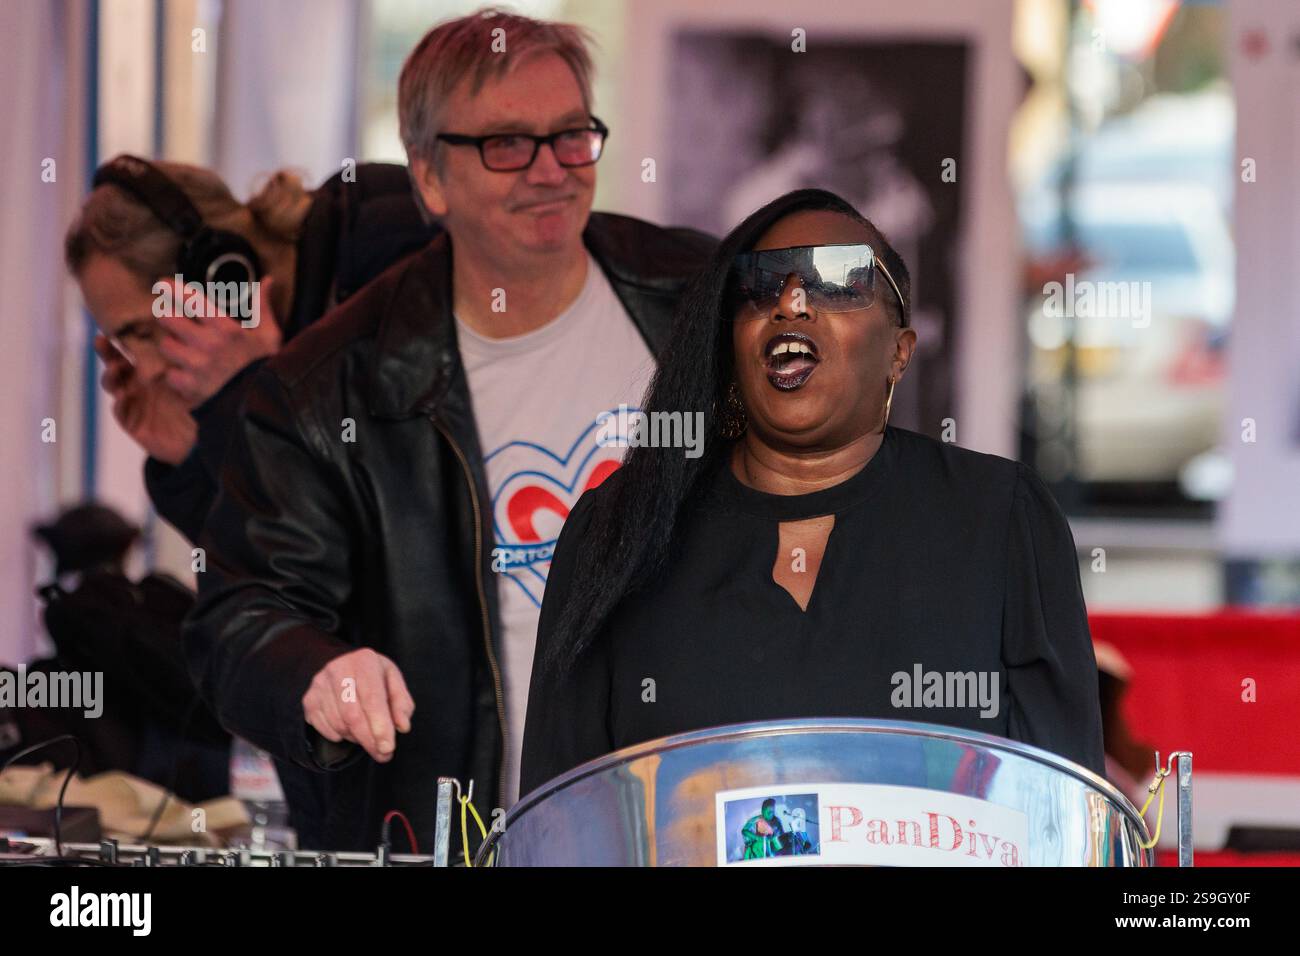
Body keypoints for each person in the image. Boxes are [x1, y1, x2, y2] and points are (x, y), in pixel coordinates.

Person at [183, 8, 715, 853]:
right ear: (429, 178)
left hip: (704, 822)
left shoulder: (700, 303)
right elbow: (240, 617)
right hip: (467, 839)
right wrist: (316, 670)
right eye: (507, 144)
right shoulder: (328, 387)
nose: (551, 171)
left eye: (572, 136)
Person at [520, 188, 1106, 795]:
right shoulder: (619, 526)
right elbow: (559, 816)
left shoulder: (999, 516)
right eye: (761, 286)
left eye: (836, 281)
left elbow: (1063, 806)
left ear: (899, 354)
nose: (792, 304)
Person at [64, 156, 437, 543]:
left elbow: (382, 549)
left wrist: (255, 396)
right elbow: (276, 578)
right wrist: (193, 459)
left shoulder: (393, 266)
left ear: (221, 275)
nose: (146, 370)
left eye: (142, 331)